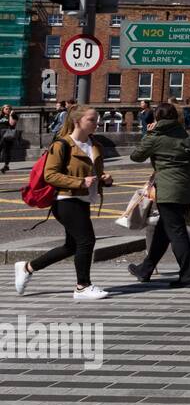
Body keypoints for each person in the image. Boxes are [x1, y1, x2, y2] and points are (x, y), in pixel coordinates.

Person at [14, 105, 116, 301]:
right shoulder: (62, 145)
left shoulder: (95, 144)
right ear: (77, 121)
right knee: (86, 240)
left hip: (83, 198)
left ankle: (27, 267)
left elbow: (93, 173)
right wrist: (79, 182)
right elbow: (50, 175)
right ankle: (82, 287)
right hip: (65, 199)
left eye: (97, 119)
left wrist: (105, 179)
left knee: (72, 245)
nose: (97, 123)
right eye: (92, 120)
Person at [127, 103, 190, 288]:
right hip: (188, 189)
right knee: (163, 232)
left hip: (169, 192)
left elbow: (136, 156)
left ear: (157, 117)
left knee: (177, 233)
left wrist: (150, 133)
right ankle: (145, 269)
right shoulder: (187, 135)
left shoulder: (156, 137)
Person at [0, 104, 17, 173]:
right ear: (3, 109)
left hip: (8, 135)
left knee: (7, 150)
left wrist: (10, 115)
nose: (8, 110)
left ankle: (6, 165)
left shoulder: (14, 116)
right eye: (6, 109)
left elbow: (12, 124)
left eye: (9, 108)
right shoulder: (1, 116)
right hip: (0, 134)